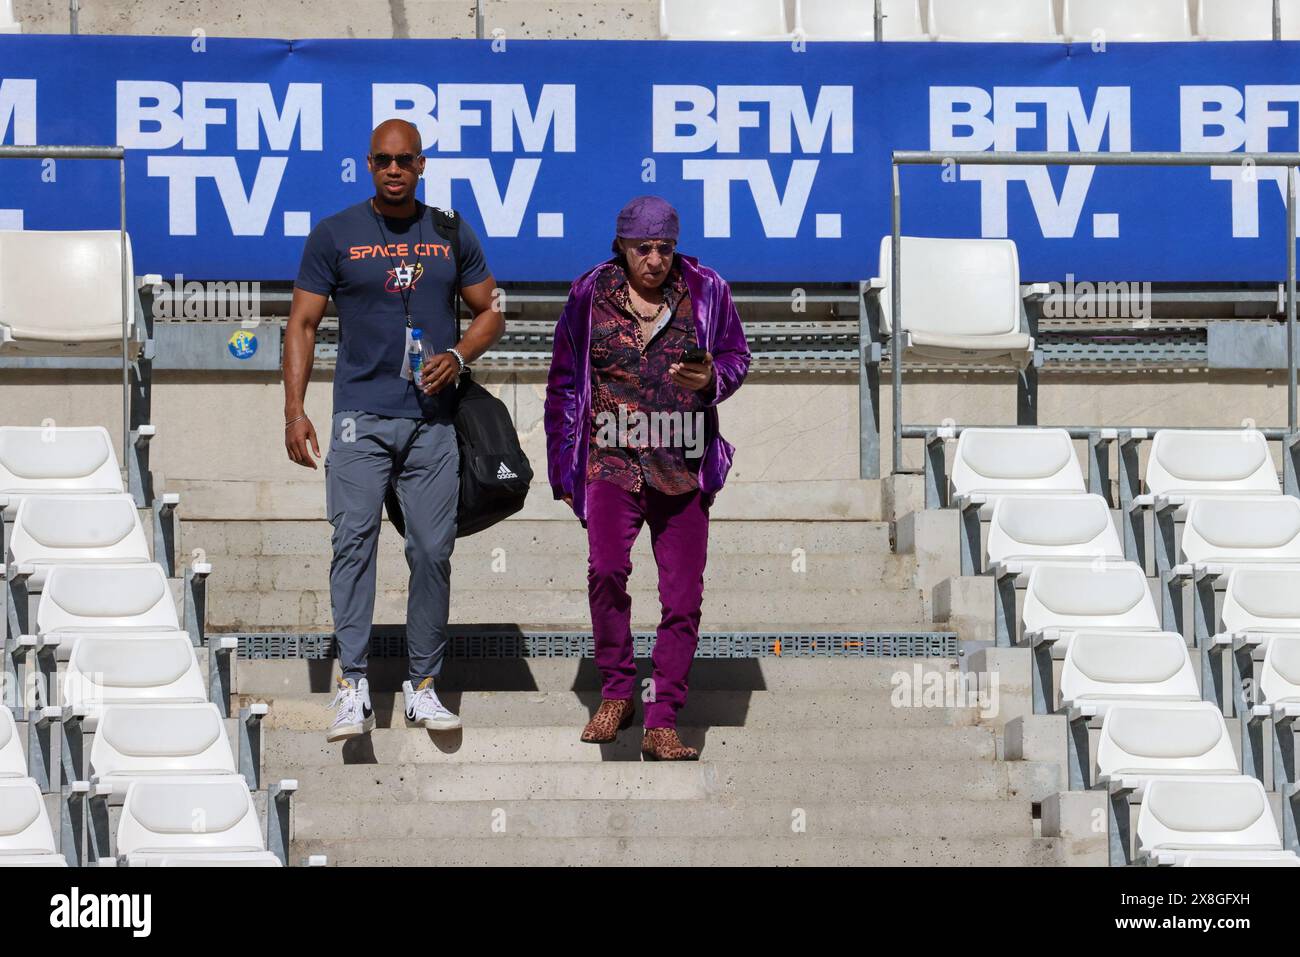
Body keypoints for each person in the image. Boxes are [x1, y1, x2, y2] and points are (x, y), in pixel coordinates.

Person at [283, 119, 505, 743]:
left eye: (405, 159)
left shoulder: (448, 230)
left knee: (432, 551)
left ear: (422, 164)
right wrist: (294, 410)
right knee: (353, 540)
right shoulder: (335, 233)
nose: (394, 169)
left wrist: (459, 355)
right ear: (368, 164)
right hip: (360, 418)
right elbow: (301, 324)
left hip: (433, 422)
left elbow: (491, 311)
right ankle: (352, 685)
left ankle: (423, 687)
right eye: (382, 159)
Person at [545, 196, 751, 760]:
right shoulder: (590, 292)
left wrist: (711, 379)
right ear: (623, 247)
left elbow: (737, 356)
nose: (655, 260)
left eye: (663, 248)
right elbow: (563, 382)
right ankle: (616, 692)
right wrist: (562, 463)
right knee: (607, 569)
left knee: (682, 597)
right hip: (609, 457)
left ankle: (663, 718)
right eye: (643, 249)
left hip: (682, 461)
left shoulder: (708, 289)